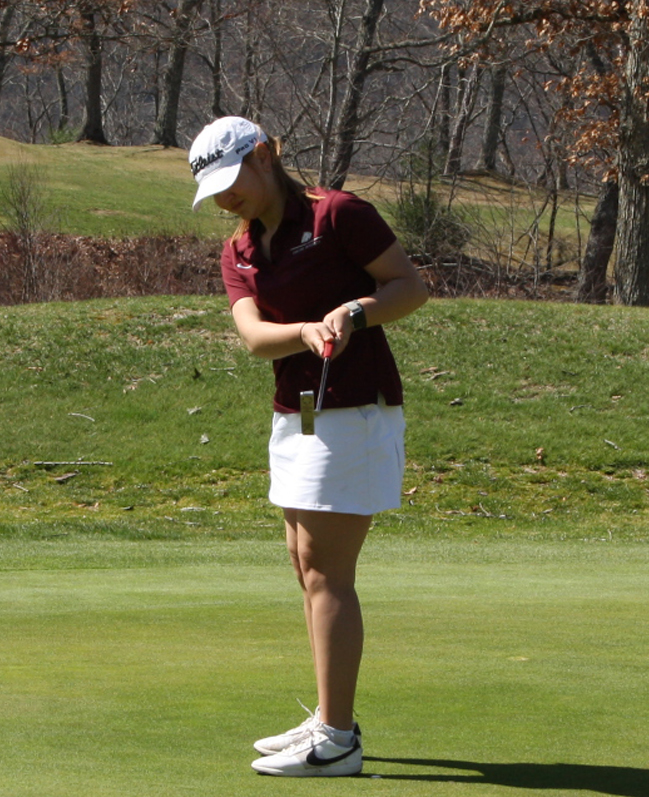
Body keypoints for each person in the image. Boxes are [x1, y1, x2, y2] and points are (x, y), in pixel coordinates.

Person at [187, 116, 428, 777]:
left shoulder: (337, 215)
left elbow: (409, 287)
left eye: (232, 180)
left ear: (265, 155)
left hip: (356, 409)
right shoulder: (239, 251)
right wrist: (303, 331)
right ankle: (328, 715)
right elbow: (253, 337)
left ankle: (339, 738)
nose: (226, 198)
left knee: (327, 572)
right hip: (298, 415)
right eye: (214, 190)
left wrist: (354, 312)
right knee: (305, 564)